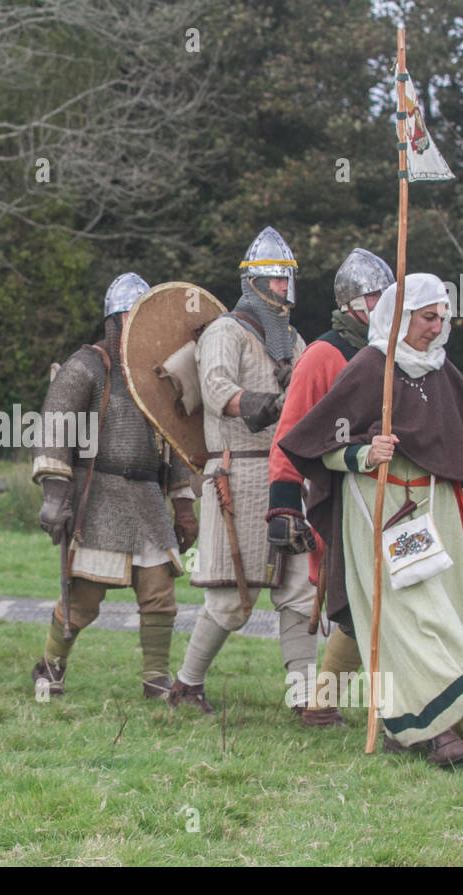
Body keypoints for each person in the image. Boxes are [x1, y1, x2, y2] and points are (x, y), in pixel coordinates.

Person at [278, 273, 463, 766]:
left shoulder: (440, 372)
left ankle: (421, 724)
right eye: (427, 317)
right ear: (400, 317)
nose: (436, 327)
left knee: (450, 609)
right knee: (415, 618)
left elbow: (458, 440)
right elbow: (315, 445)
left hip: (437, 508)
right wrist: (362, 453)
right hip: (382, 509)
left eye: (442, 317)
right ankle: (436, 731)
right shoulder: (368, 367)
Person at [168, 226, 329, 724]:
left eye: (288, 281)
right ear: (255, 283)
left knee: (301, 590)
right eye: (277, 281)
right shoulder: (224, 331)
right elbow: (217, 391)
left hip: (287, 478)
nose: (285, 289)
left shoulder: (295, 340)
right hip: (235, 477)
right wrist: (267, 401)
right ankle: (186, 685)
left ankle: (306, 699)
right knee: (232, 599)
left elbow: (309, 401)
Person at [32, 273, 197, 700]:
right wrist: (55, 494)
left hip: (146, 499)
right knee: (83, 599)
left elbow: (175, 439)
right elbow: (55, 428)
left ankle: (155, 678)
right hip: (98, 494)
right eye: (131, 317)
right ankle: (50, 666)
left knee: (160, 593)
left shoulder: (160, 374)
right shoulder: (89, 366)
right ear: (115, 320)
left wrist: (183, 504)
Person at [264, 248, 394, 714]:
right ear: (353, 303)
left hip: (396, 495)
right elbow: (291, 432)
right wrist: (283, 504)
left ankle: (334, 703)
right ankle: (325, 702)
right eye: (377, 296)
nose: (386, 304)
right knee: (359, 598)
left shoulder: (394, 353)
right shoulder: (325, 353)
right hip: (341, 496)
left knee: (391, 595)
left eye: (389, 295)